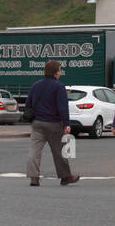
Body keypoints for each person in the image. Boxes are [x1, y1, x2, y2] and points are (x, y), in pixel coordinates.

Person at [25, 59, 79, 187]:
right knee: (60, 151)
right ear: (55, 72)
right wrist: (66, 123)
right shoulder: (59, 86)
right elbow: (62, 107)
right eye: (60, 70)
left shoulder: (36, 85)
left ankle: (34, 178)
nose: (60, 73)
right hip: (53, 123)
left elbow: (28, 104)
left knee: (34, 151)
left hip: (37, 123)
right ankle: (65, 177)